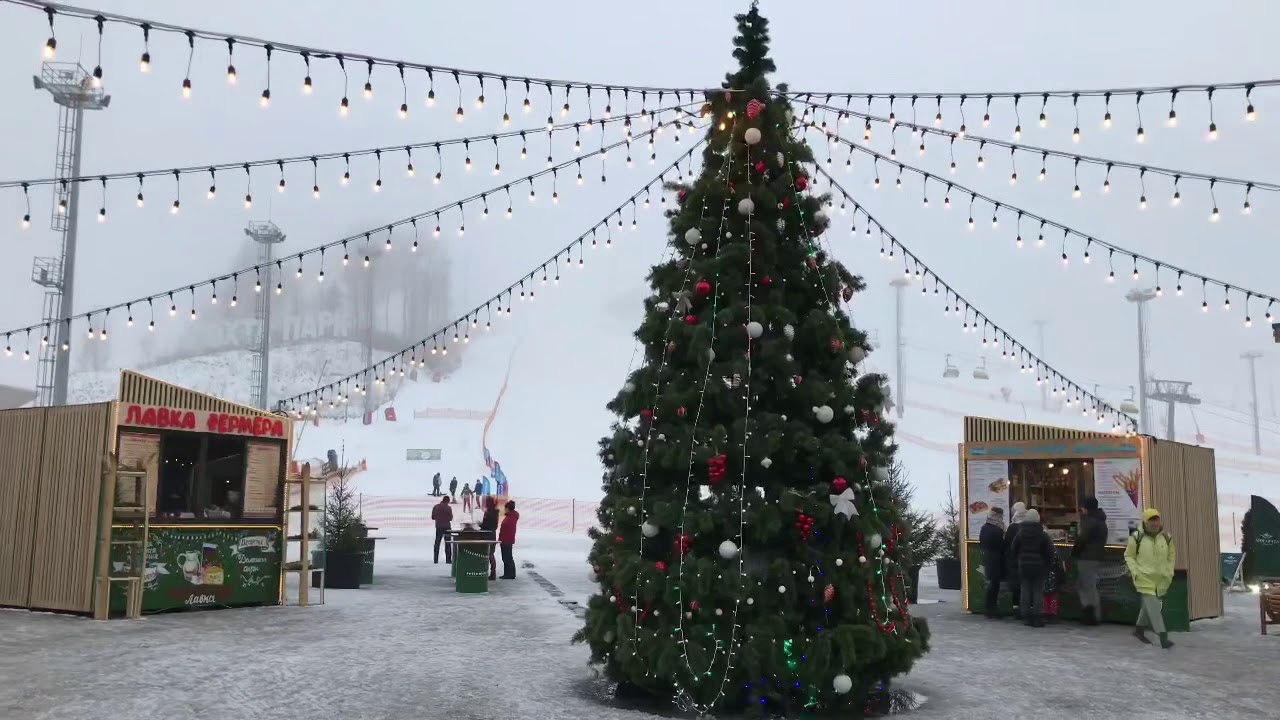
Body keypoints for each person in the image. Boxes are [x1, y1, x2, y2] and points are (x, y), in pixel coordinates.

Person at [1125, 508, 1176, 649]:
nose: (1154, 523)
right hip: (1143, 578)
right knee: (1154, 607)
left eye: (1156, 519)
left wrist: (1169, 571)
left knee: (1147, 606)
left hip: (1161, 579)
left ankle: (1139, 630)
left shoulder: (1166, 537)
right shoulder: (1136, 537)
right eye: (1151, 520)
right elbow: (1129, 556)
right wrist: (1136, 572)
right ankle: (1163, 638)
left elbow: (1171, 556)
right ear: (1145, 522)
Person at [1009, 508, 1052, 627]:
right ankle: (1038, 616)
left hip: (1024, 566)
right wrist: (1046, 564)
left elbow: (1014, 549)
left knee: (1025, 590)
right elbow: (1048, 552)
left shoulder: (1020, 533)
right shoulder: (1043, 534)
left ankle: (1026, 615)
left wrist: (1019, 560)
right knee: (1038, 591)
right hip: (1039, 567)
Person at [1072, 496, 1109, 625]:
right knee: (1086, 584)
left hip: (1087, 557)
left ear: (1087, 508)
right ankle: (1090, 612)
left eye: (1083, 506)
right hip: (1095, 556)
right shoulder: (1100, 520)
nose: (1081, 509)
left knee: (1087, 585)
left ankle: (1091, 614)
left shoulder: (1090, 521)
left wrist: (1075, 551)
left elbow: (1082, 539)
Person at [978, 507, 1006, 618]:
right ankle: (991, 609)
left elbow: (982, 543)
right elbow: (1001, 545)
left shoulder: (985, 527)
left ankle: (990, 608)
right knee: (994, 585)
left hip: (988, 557)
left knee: (993, 584)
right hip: (996, 558)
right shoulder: (997, 529)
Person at [1003, 502, 1027, 611]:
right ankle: (1026, 607)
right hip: (1026, 560)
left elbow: (1006, 544)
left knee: (1016, 586)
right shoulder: (1029, 525)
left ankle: (1016, 608)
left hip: (1013, 561)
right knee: (1026, 586)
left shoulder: (1012, 527)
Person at [1043, 533, 1066, 623]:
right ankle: (1053, 613)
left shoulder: (1042, 552)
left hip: (1044, 576)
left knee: (1044, 595)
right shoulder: (1055, 553)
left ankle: (1046, 612)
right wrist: (1062, 578)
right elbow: (1059, 567)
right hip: (1053, 576)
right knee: (1053, 596)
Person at [498, 500, 520, 579]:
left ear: (508, 508)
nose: (504, 509)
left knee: (507, 557)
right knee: (507, 557)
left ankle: (510, 574)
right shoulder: (510, 516)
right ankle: (508, 573)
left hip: (506, 540)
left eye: (505, 508)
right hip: (506, 539)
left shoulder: (511, 517)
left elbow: (507, 529)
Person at [480, 496, 500, 581]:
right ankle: (492, 572)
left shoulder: (489, 513)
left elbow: (486, 525)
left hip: (487, 535)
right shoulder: (495, 512)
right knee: (491, 554)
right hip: (492, 534)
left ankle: (489, 572)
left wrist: (480, 524)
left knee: (488, 554)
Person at [431, 496, 453, 564]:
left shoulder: (436, 507)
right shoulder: (448, 508)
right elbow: (451, 518)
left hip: (439, 527)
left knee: (437, 543)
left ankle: (435, 559)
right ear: (448, 501)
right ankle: (448, 560)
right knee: (448, 544)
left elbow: (433, 517)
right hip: (447, 527)